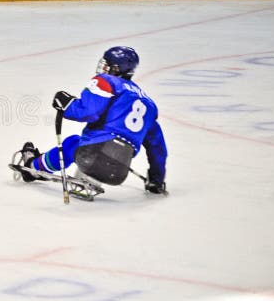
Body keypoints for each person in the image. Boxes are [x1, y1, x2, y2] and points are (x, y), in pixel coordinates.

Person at [12, 46, 168, 194]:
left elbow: (87, 112)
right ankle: (90, 174)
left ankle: (33, 166)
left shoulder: (107, 82)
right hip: (119, 172)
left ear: (116, 68)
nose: (104, 67)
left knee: (72, 143)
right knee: (88, 146)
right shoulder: (149, 105)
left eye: (107, 65)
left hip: (91, 157)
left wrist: (67, 105)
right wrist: (156, 180)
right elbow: (158, 149)